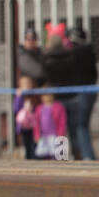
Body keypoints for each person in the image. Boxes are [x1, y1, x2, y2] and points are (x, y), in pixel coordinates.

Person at [42, 28, 76, 159]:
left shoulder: (47, 58)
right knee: (68, 127)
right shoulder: (70, 56)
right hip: (71, 95)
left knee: (57, 127)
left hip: (55, 97)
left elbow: (45, 75)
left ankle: (57, 155)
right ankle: (70, 155)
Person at [68, 26, 98, 161]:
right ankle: (78, 155)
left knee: (79, 125)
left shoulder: (74, 54)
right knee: (81, 125)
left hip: (78, 92)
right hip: (89, 90)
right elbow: (95, 74)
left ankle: (85, 155)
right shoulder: (90, 52)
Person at [33, 91, 69, 161]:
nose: (47, 97)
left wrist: (61, 134)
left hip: (55, 135)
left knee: (56, 153)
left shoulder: (59, 107)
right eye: (45, 95)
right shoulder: (39, 108)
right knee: (44, 153)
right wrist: (36, 134)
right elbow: (36, 123)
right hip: (43, 136)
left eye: (49, 95)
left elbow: (62, 121)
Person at [12, 76, 38, 159]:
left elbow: (37, 109)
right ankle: (28, 158)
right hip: (24, 126)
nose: (26, 86)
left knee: (34, 144)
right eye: (24, 84)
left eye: (28, 83)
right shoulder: (20, 97)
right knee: (26, 144)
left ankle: (34, 158)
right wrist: (19, 97)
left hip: (34, 125)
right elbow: (16, 109)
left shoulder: (34, 96)